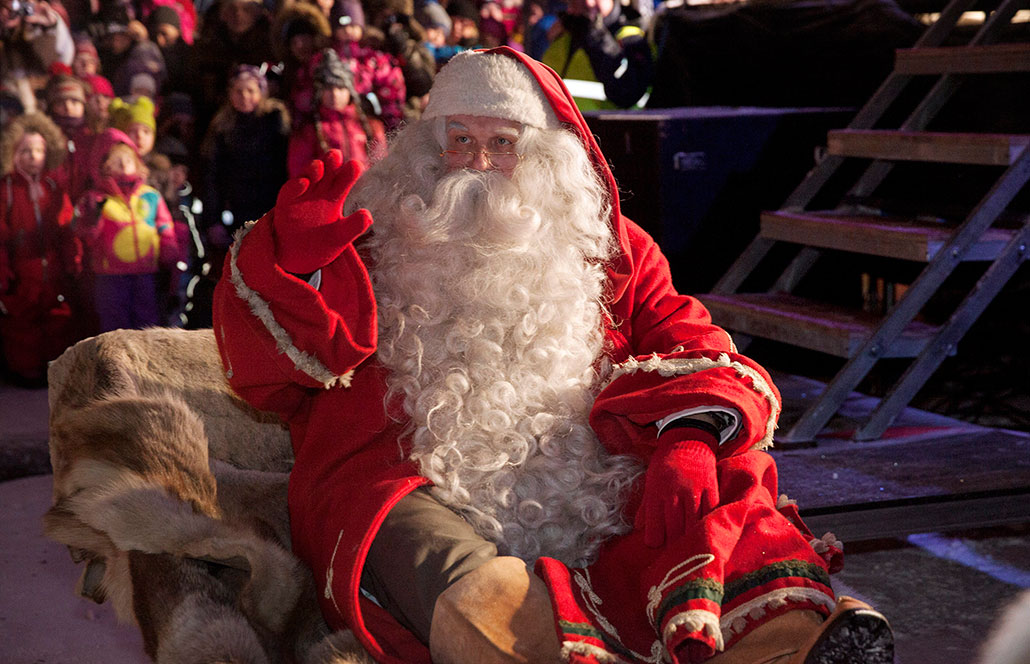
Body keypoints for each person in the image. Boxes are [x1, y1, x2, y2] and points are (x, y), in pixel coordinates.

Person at [213, 48, 894, 664]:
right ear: (428, 147)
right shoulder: (373, 236)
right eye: (460, 141)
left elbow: (694, 338)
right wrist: (286, 275)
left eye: (501, 143)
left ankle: (796, 637)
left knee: (726, 477)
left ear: (543, 155)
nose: (478, 163)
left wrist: (687, 433)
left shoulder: (611, 250)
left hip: (592, 481)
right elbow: (268, 379)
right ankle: (535, 646)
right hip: (413, 474)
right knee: (426, 556)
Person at [0, 112, 79, 386]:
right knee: (21, 321)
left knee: (56, 317)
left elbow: (67, 228)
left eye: (38, 150)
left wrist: (73, 261)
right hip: (22, 269)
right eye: (24, 151)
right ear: (12, 153)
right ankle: (25, 369)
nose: (32, 156)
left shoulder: (53, 187)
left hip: (53, 267)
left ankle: (51, 365)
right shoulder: (7, 189)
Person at [75, 127, 176, 332]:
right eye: (115, 161)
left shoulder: (150, 195)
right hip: (111, 274)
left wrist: (169, 249)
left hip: (145, 271)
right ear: (103, 166)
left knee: (147, 321)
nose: (123, 165)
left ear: (137, 163)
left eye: (128, 160)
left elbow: (164, 225)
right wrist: (92, 220)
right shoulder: (96, 199)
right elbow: (85, 234)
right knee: (114, 322)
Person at [542, 0, 653, 110]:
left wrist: (595, 37)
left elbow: (628, 95)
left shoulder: (633, 38)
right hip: (561, 124)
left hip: (608, 125)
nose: (589, 3)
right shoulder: (562, 34)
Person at [329, 0, 406, 133]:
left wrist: (391, 123)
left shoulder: (374, 59)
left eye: (353, 26)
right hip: (335, 125)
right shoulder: (327, 58)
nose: (348, 31)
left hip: (372, 125)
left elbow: (392, 88)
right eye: (342, 27)